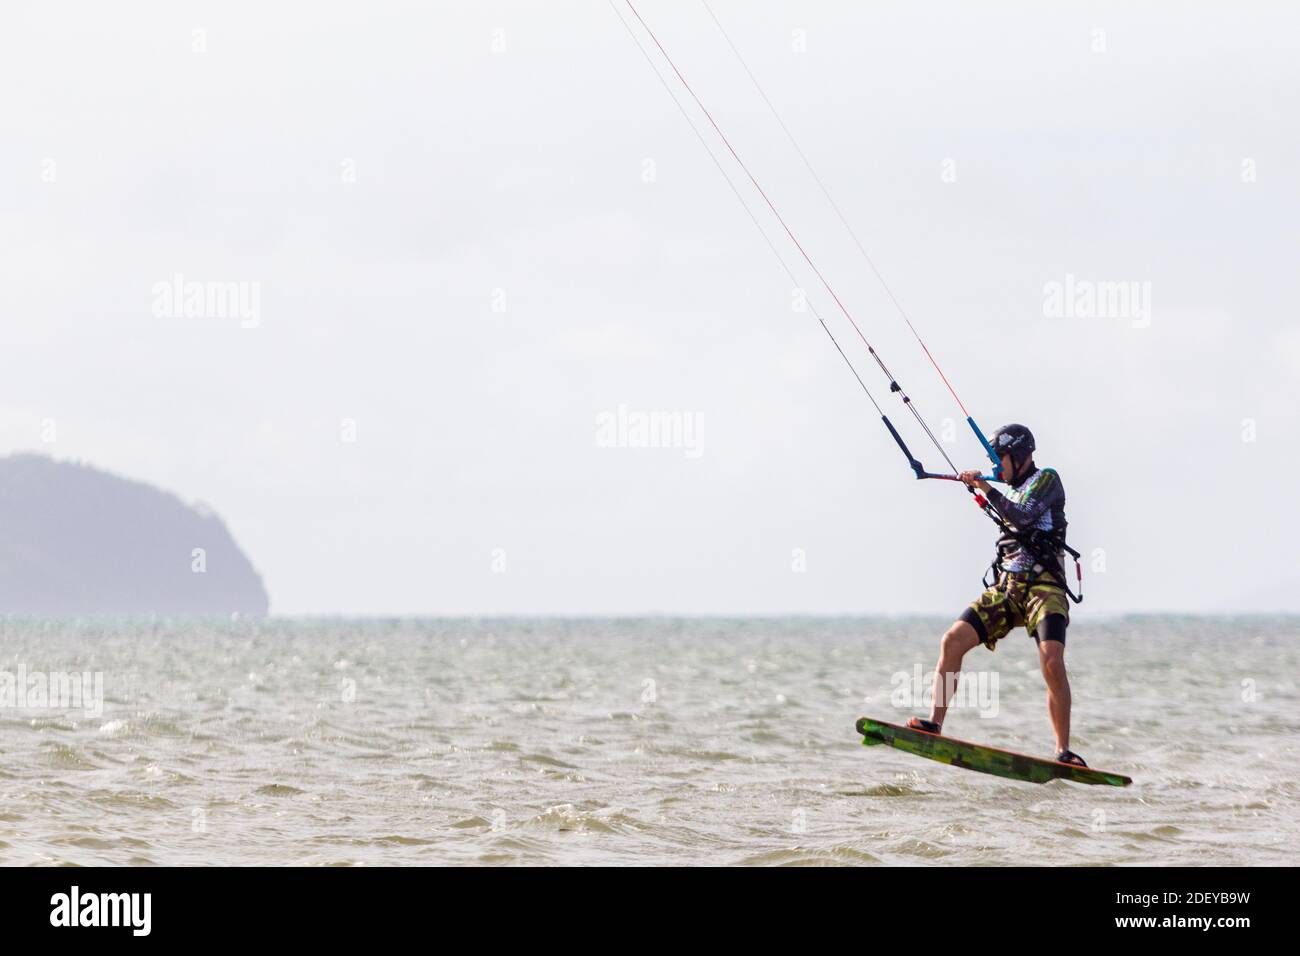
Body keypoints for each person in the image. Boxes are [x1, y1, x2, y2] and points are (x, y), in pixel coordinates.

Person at [906, 424, 1087, 767]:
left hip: (1044, 587)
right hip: (1007, 587)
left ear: (1019, 457)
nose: (995, 466)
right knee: (953, 640)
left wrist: (985, 487)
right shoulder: (1006, 487)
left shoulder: (1047, 480)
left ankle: (1063, 750)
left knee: (1051, 660)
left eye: (999, 459)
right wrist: (979, 485)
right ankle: (935, 724)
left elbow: (1021, 515)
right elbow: (1006, 505)